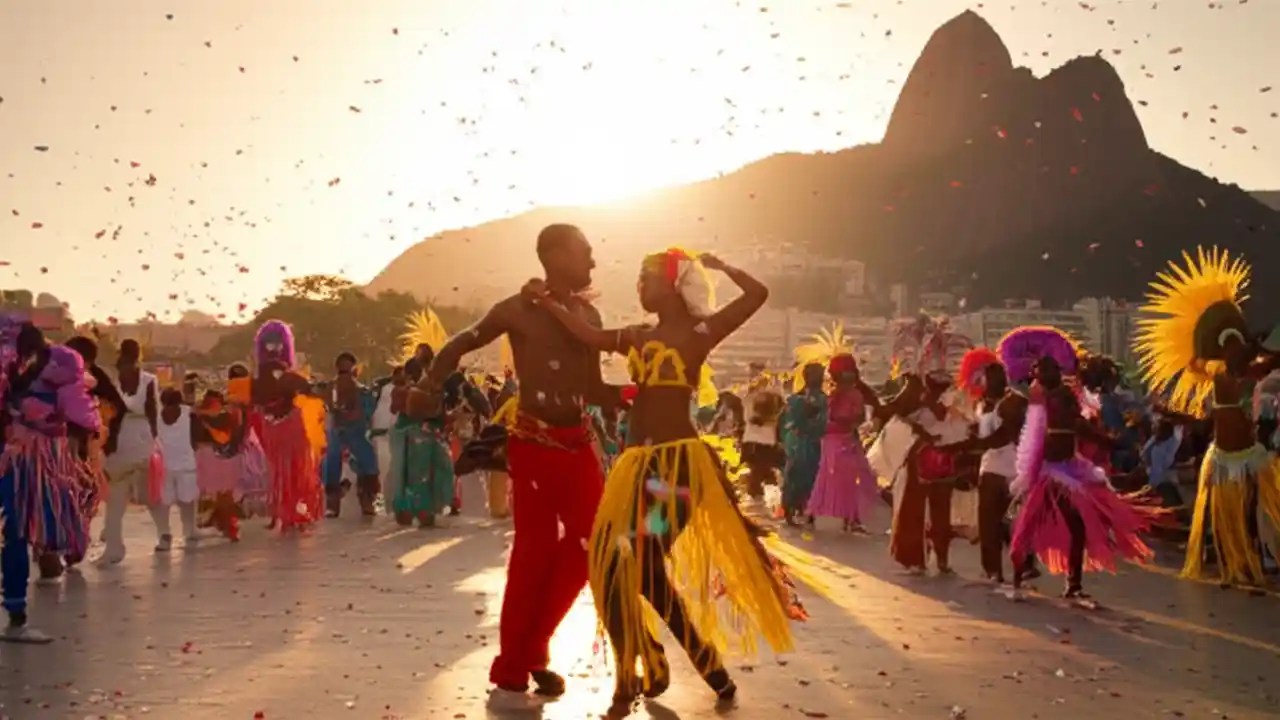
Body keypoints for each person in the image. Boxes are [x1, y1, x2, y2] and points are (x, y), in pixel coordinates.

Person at [521, 247, 798, 712]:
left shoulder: (700, 331)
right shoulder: (638, 336)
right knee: (634, 573)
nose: (639, 287)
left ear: (673, 284)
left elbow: (758, 293)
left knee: (630, 565)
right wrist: (548, 303)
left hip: (675, 469)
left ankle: (632, 681)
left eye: (646, 278)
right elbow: (588, 334)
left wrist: (722, 266)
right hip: (636, 465)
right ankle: (695, 668)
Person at [407, 224, 620, 705]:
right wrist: (430, 385)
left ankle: (528, 651)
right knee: (533, 554)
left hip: (578, 444)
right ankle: (517, 666)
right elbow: (461, 342)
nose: (592, 261)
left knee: (595, 543)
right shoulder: (516, 310)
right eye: (584, 251)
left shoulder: (587, 314)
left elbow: (592, 388)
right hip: (534, 446)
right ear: (553, 254)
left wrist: (648, 393)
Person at [1133, 248, 1280, 588]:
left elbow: (1263, 364)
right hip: (1223, 456)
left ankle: (1252, 561)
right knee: (1224, 513)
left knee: (1251, 511)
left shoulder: (1243, 370)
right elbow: (1212, 367)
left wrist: (1261, 351)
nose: (1235, 353)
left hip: (1248, 455)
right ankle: (1235, 562)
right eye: (1231, 348)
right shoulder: (1218, 371)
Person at [1003, 326, 1161, 601]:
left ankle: (1071, 584)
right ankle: (1023, 579)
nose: (1049, 372)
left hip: (1068, 468)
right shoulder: (1038, 398)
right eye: (1043, 368)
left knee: (1072, 526)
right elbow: (1057, 427)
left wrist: (1109, 441)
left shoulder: (1062, 396)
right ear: (1036, 372)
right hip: (1048, 473)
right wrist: (1109, 441)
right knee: (1030, 526)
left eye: (1052, 367)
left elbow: (1078, 427)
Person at [1, 320, 100, 642]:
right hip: (26, 462)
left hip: (20, 459)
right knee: (16, 531)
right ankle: (17, 619)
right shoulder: (61, 368)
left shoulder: (21, 372)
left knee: (16, 531)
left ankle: (18, 613)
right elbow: (82, 416)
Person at [942, 347, 1032, 584]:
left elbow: (1004, 436)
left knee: (1012, 524)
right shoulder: (982, 404)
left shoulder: (1014, 402)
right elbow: (984, 434)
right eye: (988, 377)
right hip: (990, 467)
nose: (991, 382)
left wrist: (970, 446)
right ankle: (994, 570)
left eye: (996, 377)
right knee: (989, 523)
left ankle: (1020, 569)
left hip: (1013, 468)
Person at [891, 372, 970, 575]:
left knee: (918, 510)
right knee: (937, 510)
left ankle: (920, 559)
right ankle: (938, 560)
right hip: (939, 459)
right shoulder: (950, 408)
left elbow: (895, 413)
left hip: (926, 458)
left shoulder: (926, 406)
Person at [251, 320, 326, 532]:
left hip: (280, 426)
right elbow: (306, 389)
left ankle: (290, 512)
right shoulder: (270, 375)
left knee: (290, 471)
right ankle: (288, 512)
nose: (274, 348)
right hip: (281, 427)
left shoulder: (265, 375)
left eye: (277, 344)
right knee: (287, 471)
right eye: (269, 344)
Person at [806, 355, 882, 532]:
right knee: (833, 477)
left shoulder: (848, 395)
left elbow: (857, 417)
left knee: (846, 478)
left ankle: (848, 516)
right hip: (835, 440)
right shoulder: (834, 395)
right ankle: (832, 515)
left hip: (843, 439)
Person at [101, 338, 158, 564]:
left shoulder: (115, 379)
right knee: (147, 493)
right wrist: (157, 440)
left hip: (120, 439)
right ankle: (164, 533)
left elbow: (108, 411)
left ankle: (114, 546)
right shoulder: (148, 380)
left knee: (116, 496)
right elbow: (153, 412)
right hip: (141, 437)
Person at [321, 352, 379, 517]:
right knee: (332, 465)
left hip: (357, 432)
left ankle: (367, 502)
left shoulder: (361, 391)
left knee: (368, 465)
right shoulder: (330, 388)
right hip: (338, 433)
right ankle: (332, 505)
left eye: (348, 371)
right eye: (342, 371)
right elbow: (330, 409)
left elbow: (362, 414)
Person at [153, 388, 198, 550]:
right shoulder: (188, 413)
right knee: (187, 501)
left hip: (165, 465)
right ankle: (189, 530)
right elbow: (195, 435)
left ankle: (165, 535)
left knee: (164, 503)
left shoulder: (157, 417)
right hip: (187, 463)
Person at [781, 363, 826, 524]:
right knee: (796, 476)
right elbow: (790, 421)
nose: (819, 378)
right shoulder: (797, 400)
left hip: (810, 443)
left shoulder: (822, 399)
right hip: (801, 443)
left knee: (810, 477)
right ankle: (792, 511)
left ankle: (806, 510)